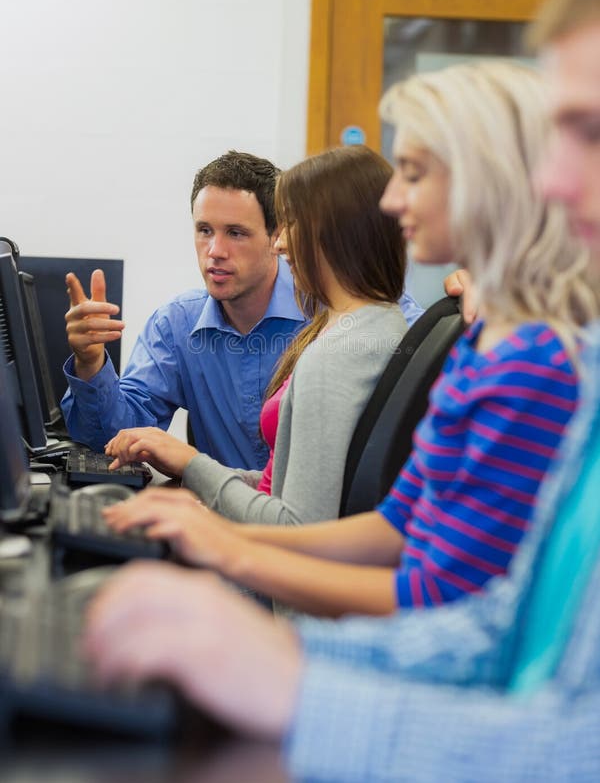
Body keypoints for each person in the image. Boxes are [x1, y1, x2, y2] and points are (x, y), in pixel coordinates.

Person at [84, 0, 600, 780]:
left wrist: (270, 633)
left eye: (589, 134)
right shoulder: (543, 364)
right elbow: (485, 621)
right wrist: (267, 640)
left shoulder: (538, 365)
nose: (553, 179)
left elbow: (550, 717)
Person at [102, 60, 595, 620]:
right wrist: (213, 536)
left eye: (413, 173)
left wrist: (225, 545)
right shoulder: (464, 344)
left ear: (490, 182)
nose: (392, 201)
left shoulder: (525, 358)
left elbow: (465, 602)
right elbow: (395, 532)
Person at [106, 145, 411, 526]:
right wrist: (192, 476)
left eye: (292, 226)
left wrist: (193, 466)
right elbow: (281, 490)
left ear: (335, 237)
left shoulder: (332, 355)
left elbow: (294, 527)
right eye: (204, 230)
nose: (280, 245)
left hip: (276, 553)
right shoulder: (383, 322)